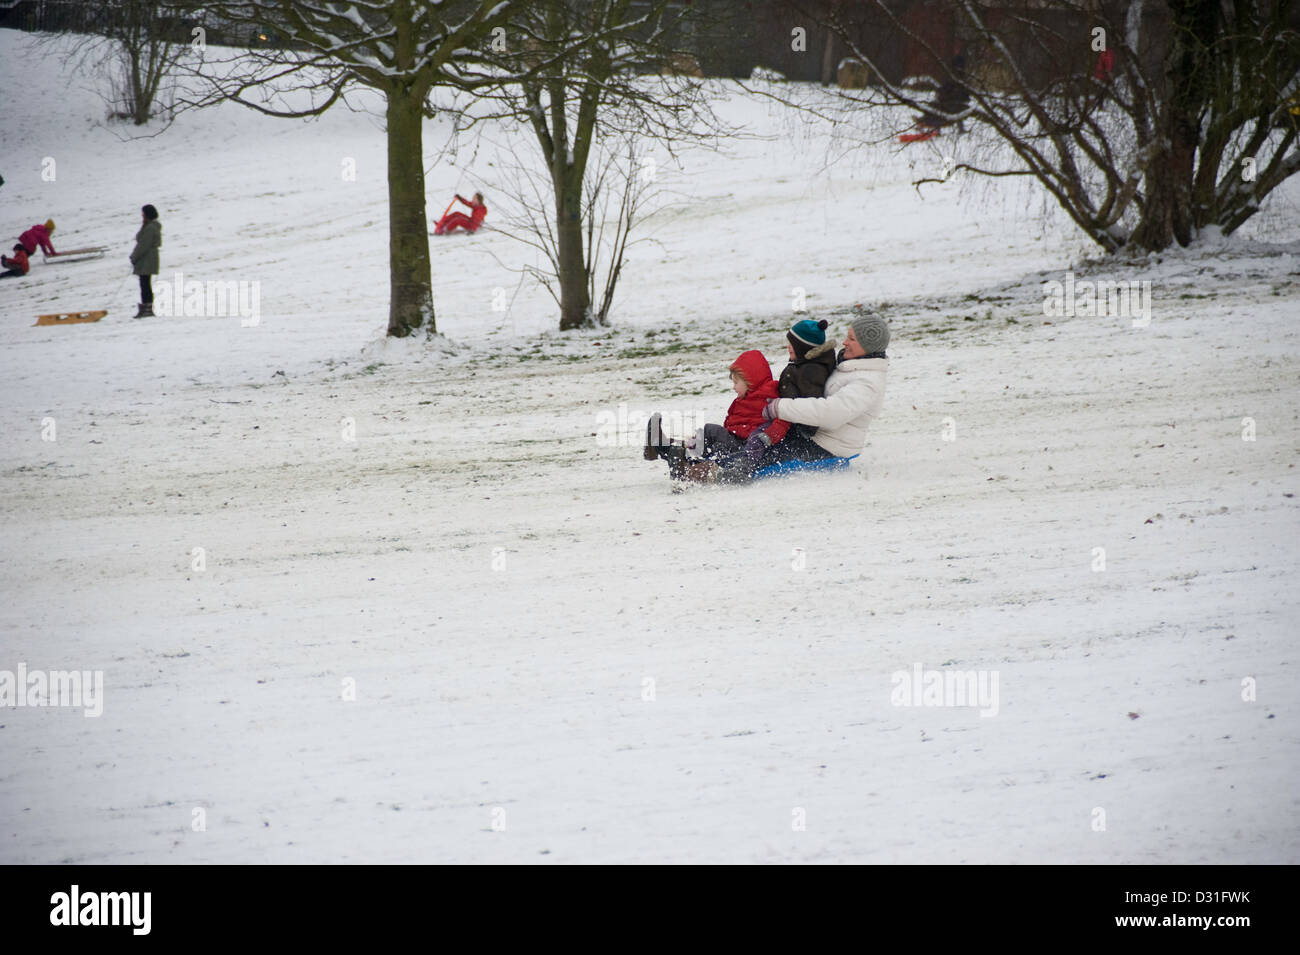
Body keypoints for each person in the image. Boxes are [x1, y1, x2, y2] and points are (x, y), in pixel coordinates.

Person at [645, 350, 790, 480]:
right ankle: (666, 448)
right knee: (708, 436)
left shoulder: (770, 398)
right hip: (736, 441)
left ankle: (681, 461)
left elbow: (781, 420)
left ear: (750, 381)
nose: (734, 387)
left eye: (736, 382)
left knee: (711, 432)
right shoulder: (744, 399)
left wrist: (765, 437)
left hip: (749, 449)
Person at [129, 204, 162, 318]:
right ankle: (147, 307)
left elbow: (143, 245)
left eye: (143, 214)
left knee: (145, 284)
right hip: (148, 258)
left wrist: (134, 257)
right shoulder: (150, 226)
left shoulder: (150, 228)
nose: (142, 216)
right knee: (145, 283)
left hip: (147, 259)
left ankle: (147, 308)